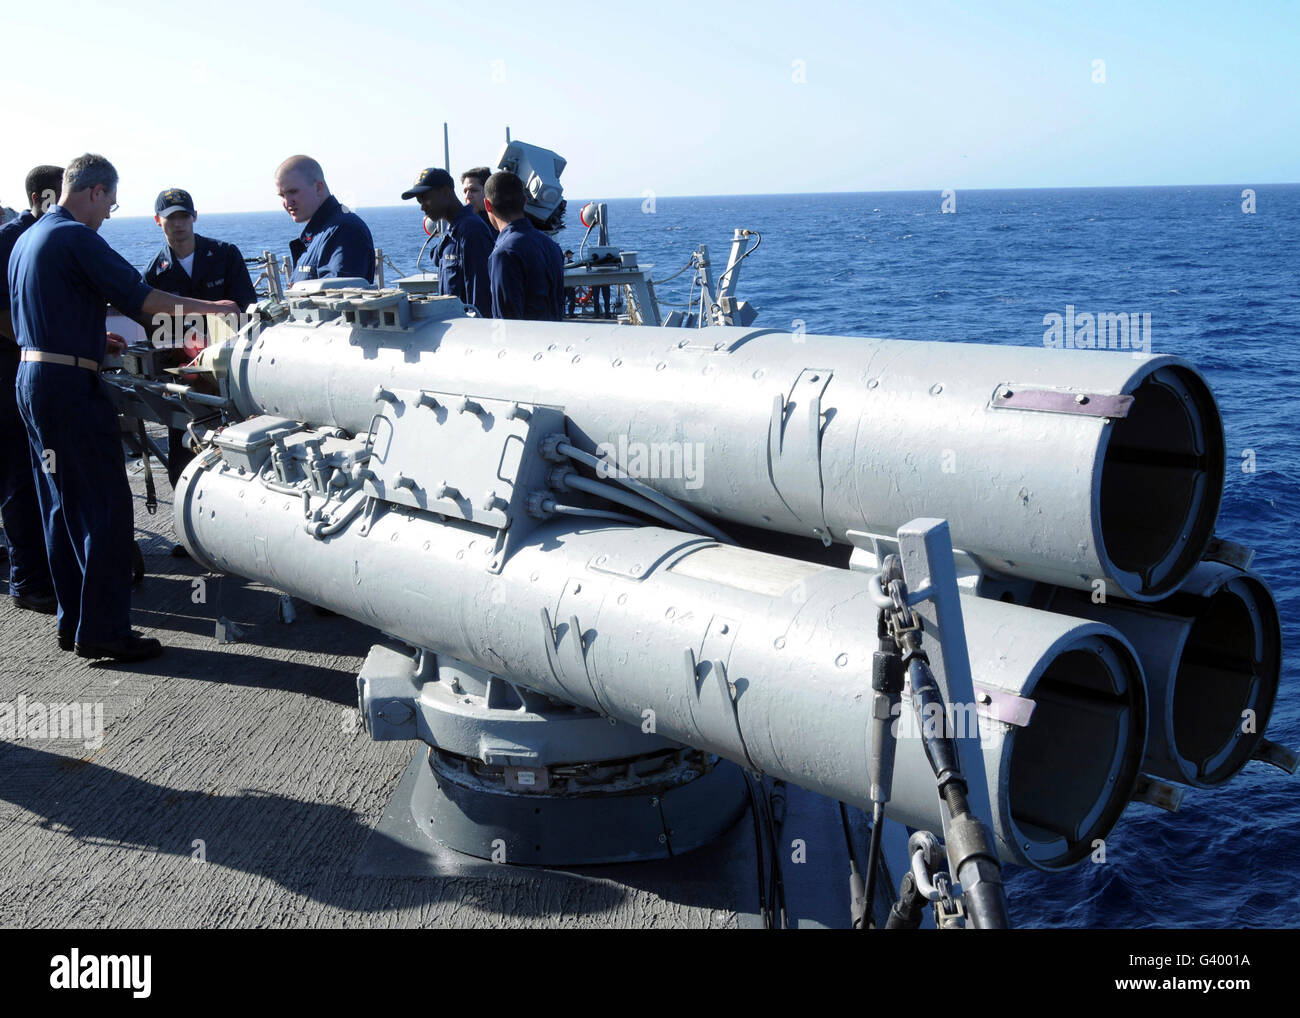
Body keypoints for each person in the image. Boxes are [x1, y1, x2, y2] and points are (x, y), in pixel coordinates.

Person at [8, 154, 241, 662]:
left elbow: (42, 309)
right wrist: (215, 309)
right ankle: (105, 630)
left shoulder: (28, 238)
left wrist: (92, 337)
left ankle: (74, 624)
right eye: (109, 203)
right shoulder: (75, 237)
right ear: (94, 191)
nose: (108, 214)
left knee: (60, 504)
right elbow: (144, 299)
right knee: (106, 507)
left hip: (34, 378)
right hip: (69, 387)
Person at [143, 187, 258, 493]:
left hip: (230, 369)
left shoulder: (224, 255)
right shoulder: (155, 274)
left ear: (194, 217)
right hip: (185, 376)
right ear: (158, 220)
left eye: (183, 216)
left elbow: (246, 311)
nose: (178, 224)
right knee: (183, 451)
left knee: (240, 444)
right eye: (170, 218)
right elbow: (156, 332)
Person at [0, 164, 63, 614]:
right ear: (45, 196)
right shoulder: (12, 241)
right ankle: (28, 581)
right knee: (20, 479)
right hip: (9, 375)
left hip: (21, 372)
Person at [401, 168, 493, 317]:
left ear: (445, 192)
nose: (422, 207)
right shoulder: (451, 232)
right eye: (419, 201)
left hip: (469, 333)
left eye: (425, 199)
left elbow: (480, 298)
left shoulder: (471, 230)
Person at [274, 155, 374, 284]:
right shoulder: (322, 234)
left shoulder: (345, 230)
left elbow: (339, 295)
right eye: (282, 195)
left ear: (318, 188)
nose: (287, 203)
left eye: (293, 191)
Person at [483, 171, 565, 322]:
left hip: (524, 343)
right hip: (555, 340)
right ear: (524, 201)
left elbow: (506, 323)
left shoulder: (503, 253)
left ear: (487, 205)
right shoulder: (551, 245)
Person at [460, 167, 498, 240]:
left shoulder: (502, 225)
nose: (467, 196)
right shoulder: (463, 227)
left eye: (473, 190)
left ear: (488, 192)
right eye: (465, 191)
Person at [562, 249, 577, 316]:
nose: (572, 255)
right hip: (570, 284)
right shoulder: (571, 262)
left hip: (563, 283)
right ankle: (571, 313)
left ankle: (562, 313)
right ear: (567, 254)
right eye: (571, 254)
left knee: (562, 299)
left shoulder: (560, 261)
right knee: (572, 299)